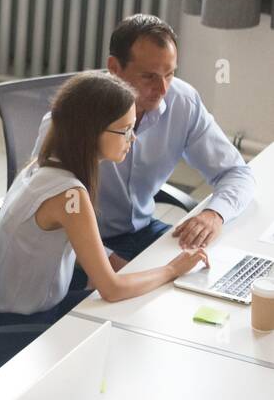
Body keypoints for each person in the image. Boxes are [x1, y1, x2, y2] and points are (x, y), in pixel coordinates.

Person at [0, 71, 209, 324]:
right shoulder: (70, 195)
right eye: (125, 130)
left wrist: (109, 263)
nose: (133, 138)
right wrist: (173, 269)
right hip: (20, 324)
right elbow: (112, 290)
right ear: (90, 132)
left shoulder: (40, 165)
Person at [33, 14, 254, 269]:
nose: (162, 90)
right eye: (149, 77)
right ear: (114, 68)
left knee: (208, 272)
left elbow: (237, 173)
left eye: (169, 74)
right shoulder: (72, 120)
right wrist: (113, 265)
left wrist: (214, 214)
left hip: (142, 231)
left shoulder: (183, 101)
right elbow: (48, 211)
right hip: (79, 247)